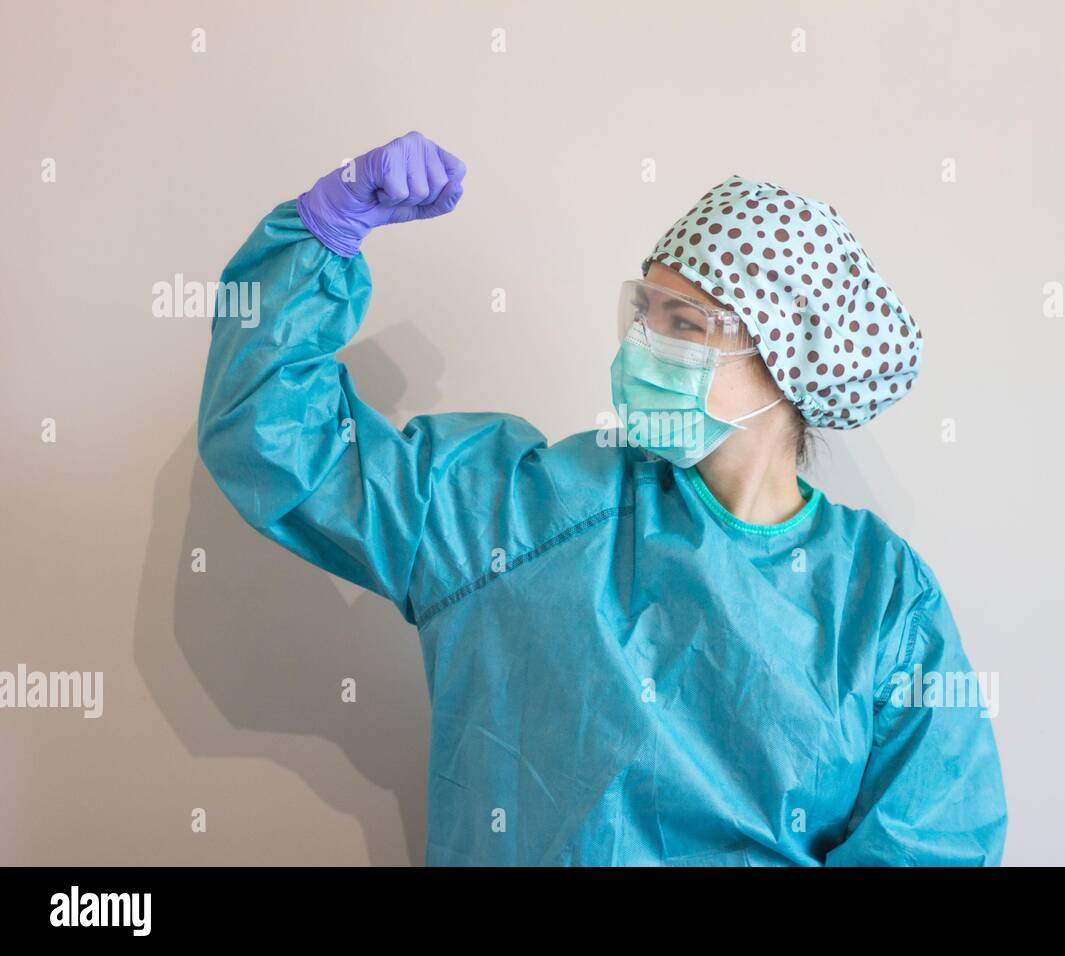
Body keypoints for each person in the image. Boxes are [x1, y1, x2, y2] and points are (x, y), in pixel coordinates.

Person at [197, 131, 1008, 866]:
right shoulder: (522, 514)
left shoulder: (882, 602)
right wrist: (323, 230)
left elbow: (931, 844)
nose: (642, 347)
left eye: (684, 324)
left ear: (791, 363)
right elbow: (274, 438)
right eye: (641, 311)